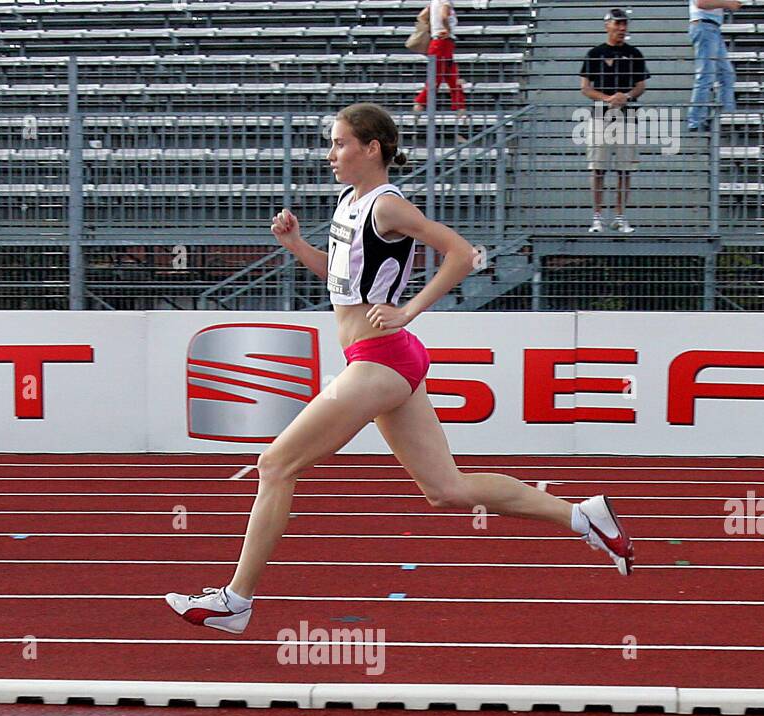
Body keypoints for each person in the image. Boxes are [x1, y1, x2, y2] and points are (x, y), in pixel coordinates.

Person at [165, 103, 633, 634]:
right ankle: (583, 516)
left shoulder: (389, 207)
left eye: (341, 143)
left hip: (381, 359)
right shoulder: (350, 202)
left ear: (371, 148)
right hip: (387, 358)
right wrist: (297, 246)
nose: (331, 154)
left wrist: (409, 309)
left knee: (275, 465)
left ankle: (236, 600)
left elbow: (461, 253)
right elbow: (342, 281)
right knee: (446, 490)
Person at [580, 8, 649, 234]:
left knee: (625, 169)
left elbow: (641, 85)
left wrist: (626, 97)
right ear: (607, 25)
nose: (621, 28)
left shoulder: (635, 53)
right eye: (617, 24)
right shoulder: (594, 53)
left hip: (627, 117)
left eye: (624, 24)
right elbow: (585, 88)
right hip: (600, 116)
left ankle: (620, 215)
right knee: (597, 167)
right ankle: (597, 216)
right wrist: (607, 98)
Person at [688, 1, 740, 133]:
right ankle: (696, 120)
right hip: (704, 26)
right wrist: (727, 4)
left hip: (711, 27)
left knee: (726, 75)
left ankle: (727, 116)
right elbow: (701, 2)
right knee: (706, 75)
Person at [413, 1, 466, 120]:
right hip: (442, 42)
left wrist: (433, 27)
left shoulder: (434, 2)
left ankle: (460, 107)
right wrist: (447, 29)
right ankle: (420, 104)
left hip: (439, 42)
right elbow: (443, 16)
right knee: (437, 77)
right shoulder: (445, 2)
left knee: (451, 75)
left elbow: (421, 16)